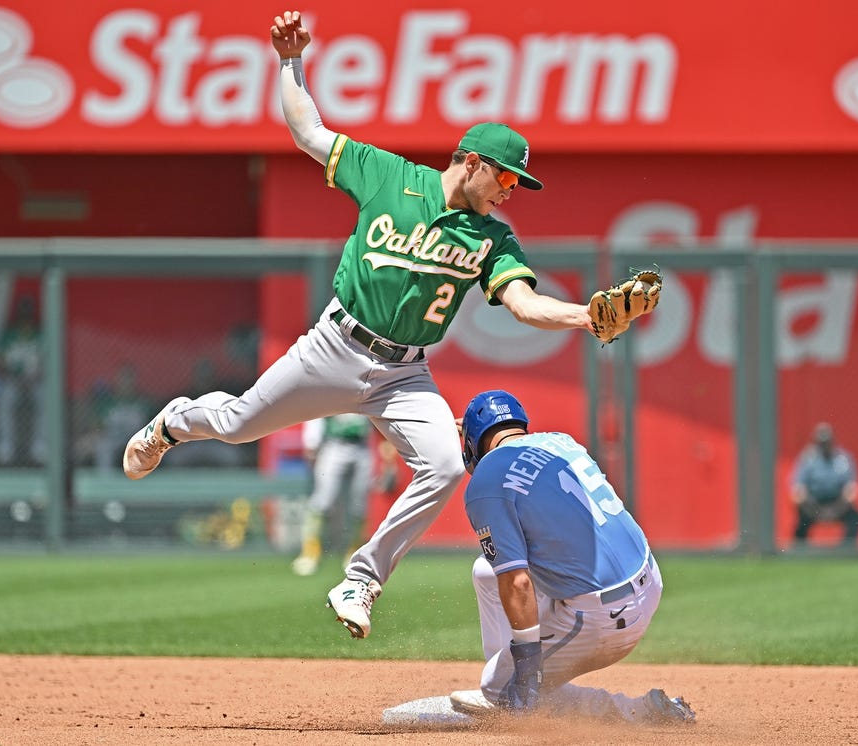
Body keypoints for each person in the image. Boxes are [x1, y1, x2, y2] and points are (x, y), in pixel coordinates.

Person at [120, 9, 633, 641]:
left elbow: (525, 304)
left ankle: (361, 579)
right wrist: (289, 61)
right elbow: (309, 130)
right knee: (236, 425)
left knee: (446, 466)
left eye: (517, 182)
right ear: (470, 163)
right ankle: (172, 422)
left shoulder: (493, 237)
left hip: (403, 372)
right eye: (505, 176)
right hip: (335, 346)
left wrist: (586, 315)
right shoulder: (390, 175)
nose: (510, 190)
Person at [446, 390, 694, 724]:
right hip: (647, 580)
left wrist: (528, 668)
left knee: (499, 693)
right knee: (485, 570)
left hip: (601, 617)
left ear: (472, 444)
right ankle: (507, 674)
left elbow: (518, 582)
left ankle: (642, 712)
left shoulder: (485, 483)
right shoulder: (561, 442)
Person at [291, 414, 397, 576]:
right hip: (333, 445)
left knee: (359, 506)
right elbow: (316, 412)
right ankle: (310, 552)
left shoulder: (368, 390)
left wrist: (386, 446)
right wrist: (311, 443)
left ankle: (354, 552)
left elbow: (378, 416)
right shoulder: (329, 390)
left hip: (362, 446)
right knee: (323, 501)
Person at [789, 422, 858, 547]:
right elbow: (798, 489)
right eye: (821, 442)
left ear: (833, 440)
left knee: (856, 517)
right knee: (801, 516)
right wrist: (810, 507)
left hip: (838, 503)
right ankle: (800, 550)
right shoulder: (808, 458)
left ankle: (847, 550)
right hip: (813, 504)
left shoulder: (843, 458)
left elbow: (851, 489)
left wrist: (837, 508)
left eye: (827, 441)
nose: (824, 446)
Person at [0, 295, 45, 466]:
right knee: (5, 396)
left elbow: (48, 362)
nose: (25, 317)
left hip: (35, 381)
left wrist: (34, 376)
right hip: (12, 381)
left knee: (46, 396)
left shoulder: (40, 335)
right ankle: (5, 445)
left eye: (27, 313)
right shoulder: (8, 334)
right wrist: (14, 377)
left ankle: (41, 445)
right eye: (22, 313)